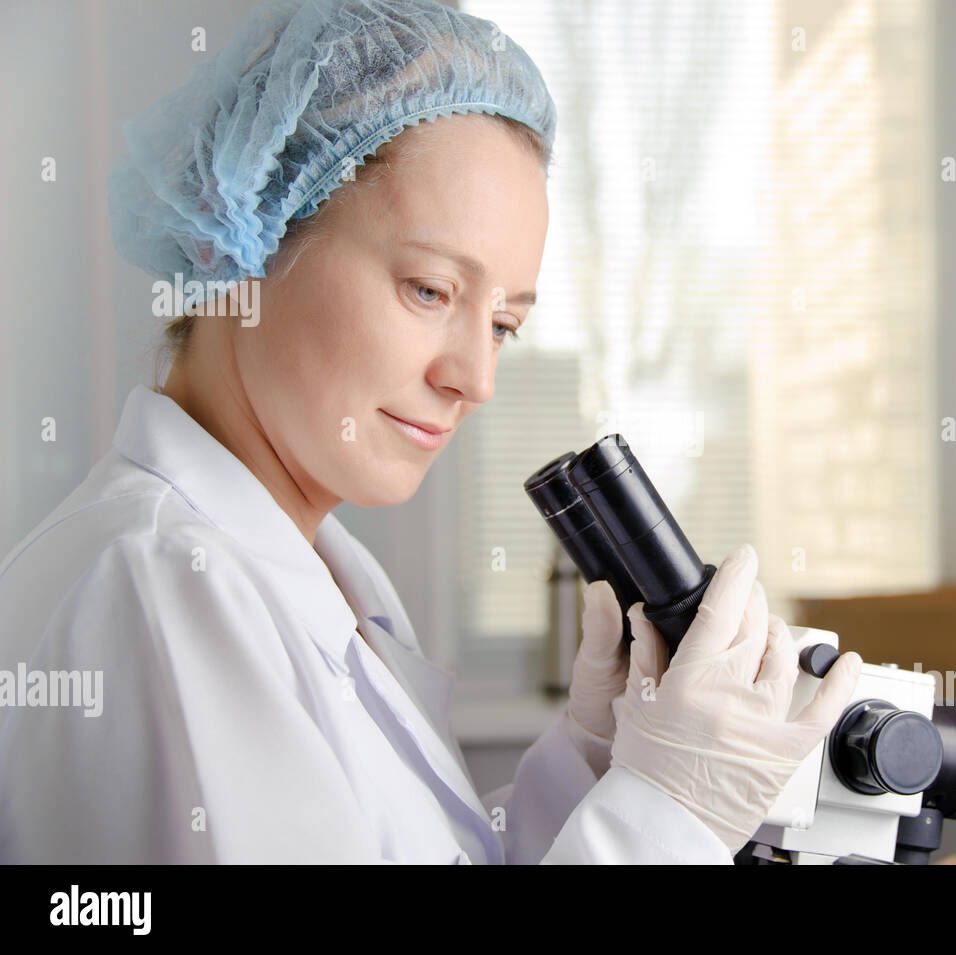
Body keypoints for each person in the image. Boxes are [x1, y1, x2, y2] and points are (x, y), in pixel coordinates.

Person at [0, 0, 861, 864]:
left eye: (502, 325)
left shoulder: (326, 567)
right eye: (430, 290)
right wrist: (667, 816)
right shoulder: (157, 583)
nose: (474, 379)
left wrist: (598, 763)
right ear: (250, 231)